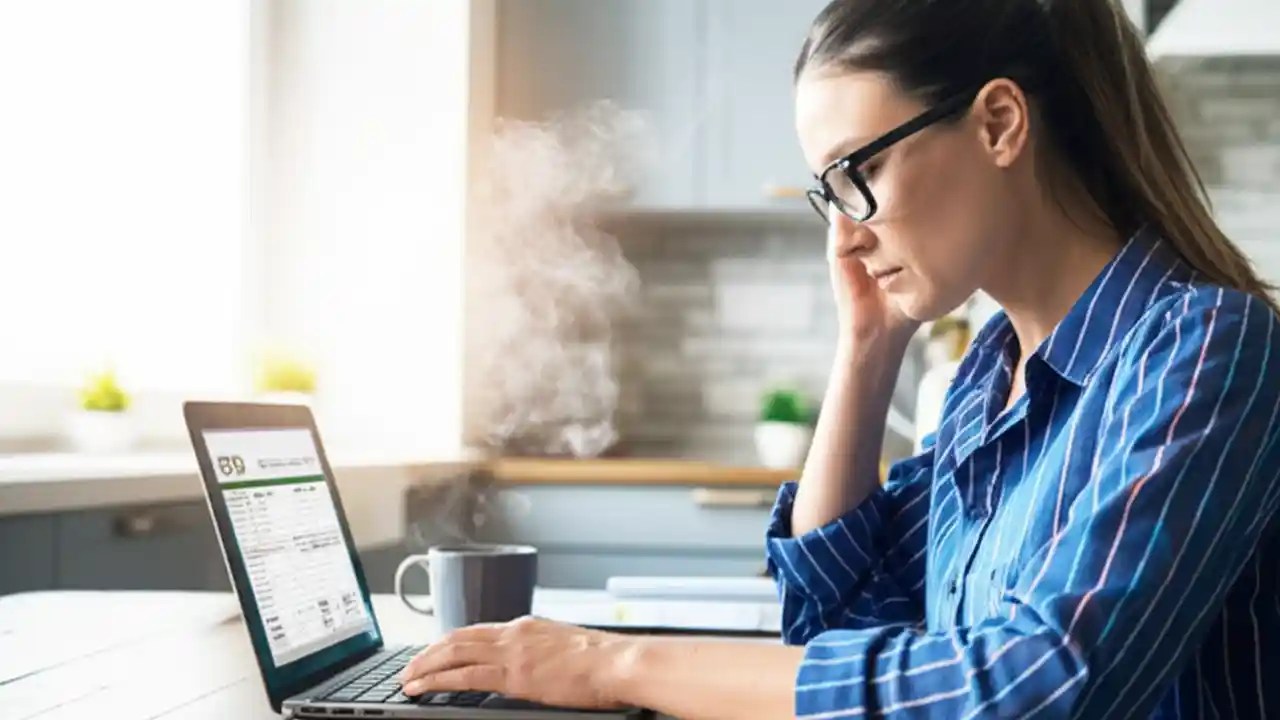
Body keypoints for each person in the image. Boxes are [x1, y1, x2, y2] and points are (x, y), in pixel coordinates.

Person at [398, 0, 1280, 716]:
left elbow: (1037, 686)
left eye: (857, 172)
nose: (845, 234)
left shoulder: (1206, 348)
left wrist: (615, 664)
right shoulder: (988, 378)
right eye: (828, 195)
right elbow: (834, 622)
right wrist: (866, 347)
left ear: (999, 124)